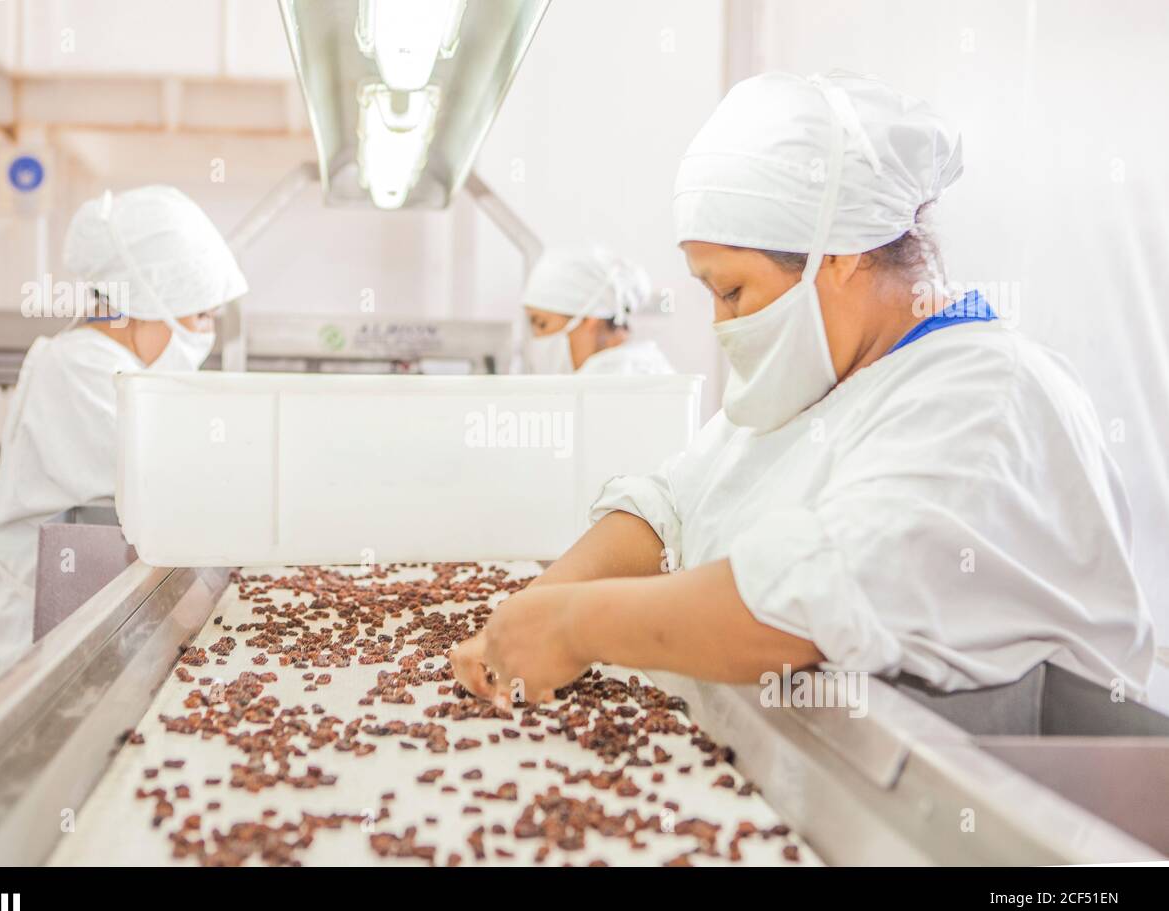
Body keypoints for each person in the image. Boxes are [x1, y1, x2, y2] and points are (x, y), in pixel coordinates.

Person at [452, 71, 1153, 708]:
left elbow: (811, 601)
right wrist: (538, 606)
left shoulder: (990, 398)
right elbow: (670, 506)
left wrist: (576, 627)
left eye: (732, 291)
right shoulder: (821, 377)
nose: (723, 324)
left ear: (842, 256)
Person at [0, 185, 247, 688]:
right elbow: (174, 491)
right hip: (43, 655)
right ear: (149, 303)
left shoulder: (119, 368)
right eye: (199, 313)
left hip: (93, 639)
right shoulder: (81, 369)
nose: (204, 331)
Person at [522, 245, 675, 374]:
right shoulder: (645, 367)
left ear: (589, 319)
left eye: (542, 324)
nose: (536, 337)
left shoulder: (607, 383)